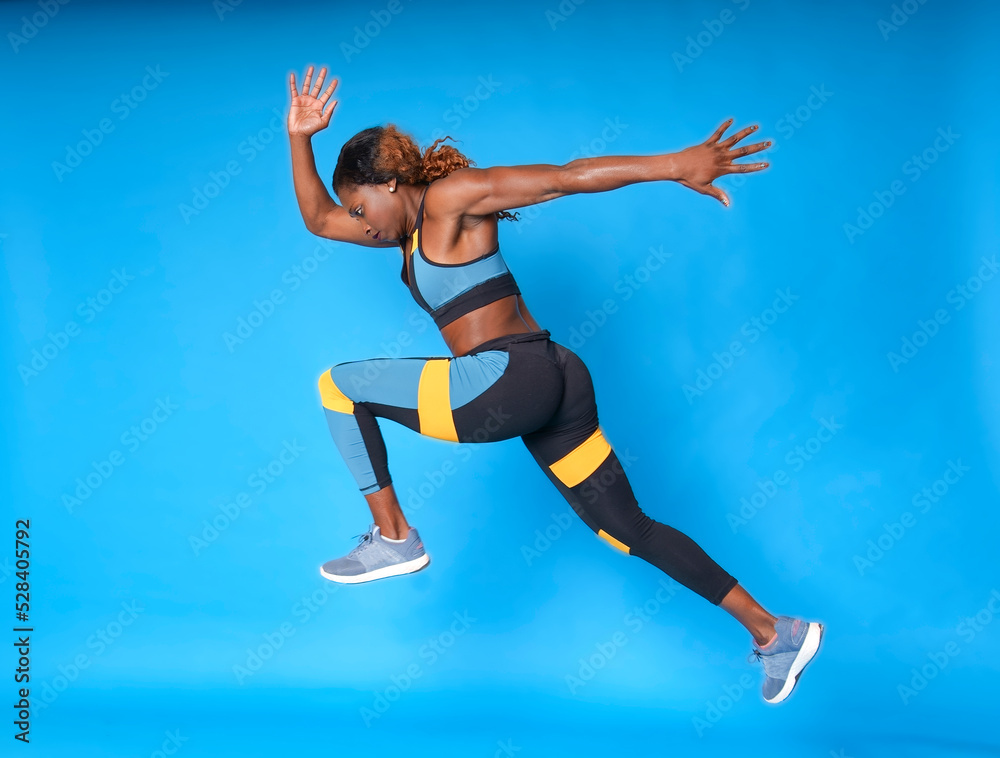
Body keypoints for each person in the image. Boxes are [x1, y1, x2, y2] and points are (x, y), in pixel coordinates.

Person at [285, 64, 824, 704]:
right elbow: (317, 219)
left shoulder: (452, 199)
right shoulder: (400, 235)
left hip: (507, 379)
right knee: (628, 528)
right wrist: (300, 138)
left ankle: (396, 539)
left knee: (339, 386)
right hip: (555, 379)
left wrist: (676, 164)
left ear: (388, 183)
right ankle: (775, 631)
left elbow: (565, 178)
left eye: (360, 205)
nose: (358, 221)